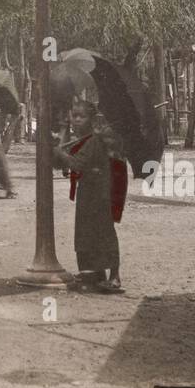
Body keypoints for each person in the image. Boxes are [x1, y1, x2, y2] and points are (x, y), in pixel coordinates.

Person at [51, 100, 125, 293]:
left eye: (80, 116)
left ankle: (114, 276)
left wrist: (61, 153)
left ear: (90, 119)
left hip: (100, 194)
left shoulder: (93, 140)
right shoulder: (84, 140)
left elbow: (78, 164)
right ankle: (93, 273)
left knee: (103, 233)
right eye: (73, 115)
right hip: (88, 192)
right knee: (86, 233)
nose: (75, 120)